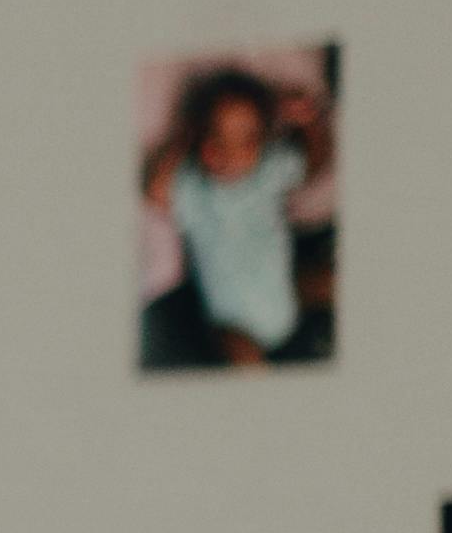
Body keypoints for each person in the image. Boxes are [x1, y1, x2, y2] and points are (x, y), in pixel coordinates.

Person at [139, 63, 333, 370]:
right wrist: (183, 138)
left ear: (263, 140)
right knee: (243, 359)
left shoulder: (269, 171)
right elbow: (154, 190)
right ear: (196, 137)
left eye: (243, 138)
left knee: (330, 281)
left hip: (285, 291)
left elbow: (316, 164)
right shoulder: (195, 190)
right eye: (212, 135)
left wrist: (308, 120)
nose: (227, 150)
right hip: (233, 323)